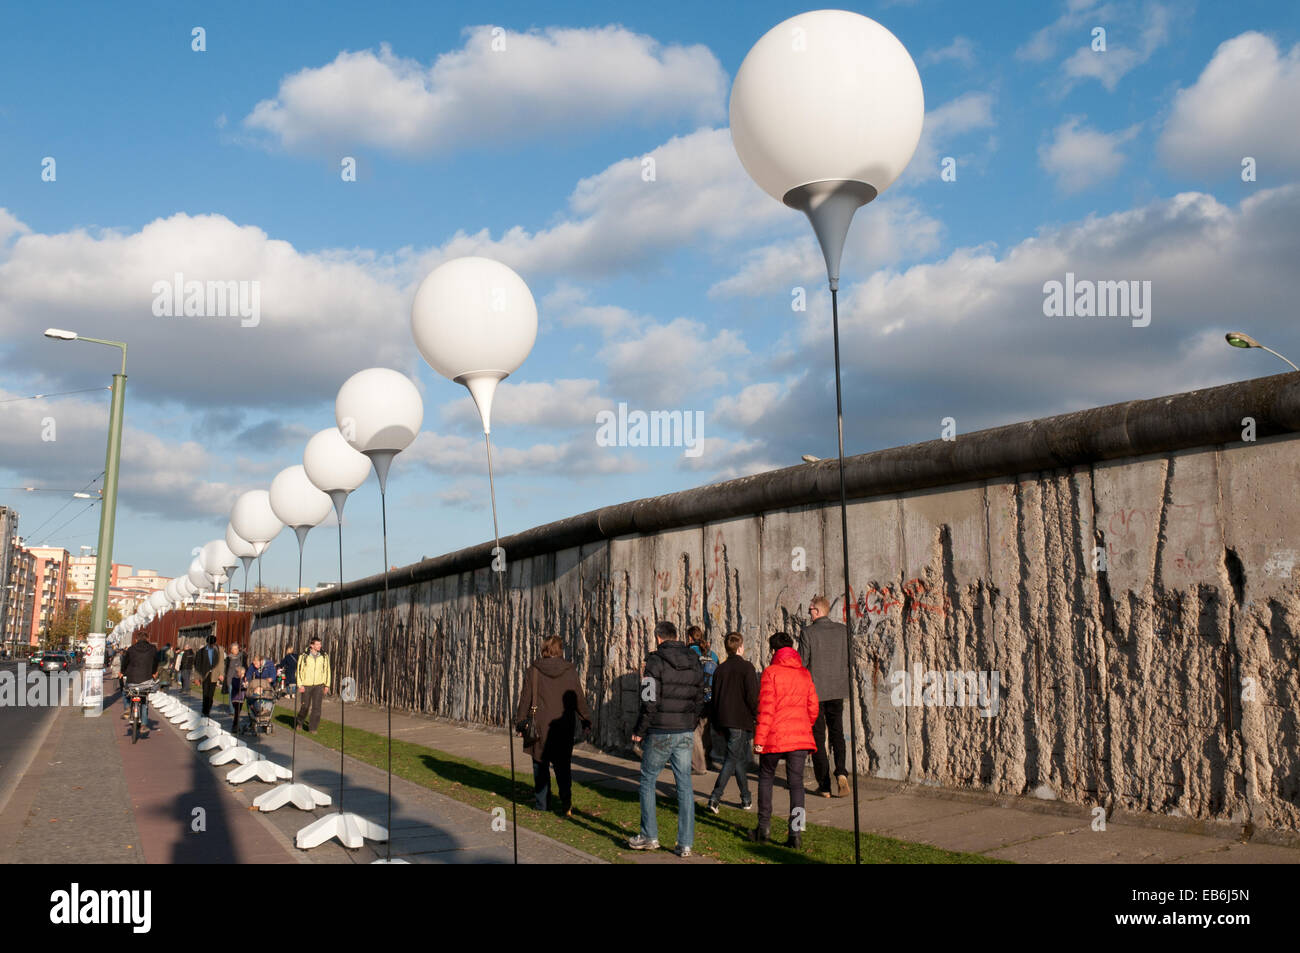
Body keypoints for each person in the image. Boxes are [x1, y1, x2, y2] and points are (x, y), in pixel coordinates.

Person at [628, 620, 705, 858]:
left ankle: (649, 835)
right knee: (684, 785)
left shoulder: (655, 661)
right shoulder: (693, 659)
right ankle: (685, 843)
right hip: (684, 729)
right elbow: (700, 696)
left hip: (661, 729)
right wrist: (691, 723)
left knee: (648, 779)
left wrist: (640, 730)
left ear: (659, 638)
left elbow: (649, 699)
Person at [751, 631, 819, 848]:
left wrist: (759, 740)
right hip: (799, 737)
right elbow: (813, 708)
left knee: (766, 778)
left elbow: (766, 709)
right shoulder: (804, 674)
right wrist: (803, 724)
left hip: (775, 736)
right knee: (797, 785)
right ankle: (796, 833)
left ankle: (764, 827)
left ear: (773, 651)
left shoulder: (771, 672)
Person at [513, 636, 592, 816]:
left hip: (539, 724)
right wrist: (585, 719)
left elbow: (525, 698)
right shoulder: (569, 670)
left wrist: (520, 723)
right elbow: (577, 697)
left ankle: (542, 804)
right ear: (560, 649)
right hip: (564, 725)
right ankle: (566, 802)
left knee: (539, 764)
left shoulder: (534, 670)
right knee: (563, 766)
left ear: (544, 649)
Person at [800, 595, 851, 797]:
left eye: (810, 610)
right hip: (837, 690)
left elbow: (802, 663)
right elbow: (850, 659)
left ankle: (824, 785)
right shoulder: (842, 631)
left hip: (815, 693)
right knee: (837, 732)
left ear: (818, 611)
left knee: (818, 738)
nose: (809, 613)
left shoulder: (808, 633)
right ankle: (841, 772)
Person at [706, 632, 759, 813]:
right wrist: (757, 715)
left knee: (737, 760)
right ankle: (715, 796)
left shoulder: (721, 669)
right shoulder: (747, 668)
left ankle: (746, 798)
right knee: (731, 760)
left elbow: (715, 698)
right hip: (739, 720)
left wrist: (715, 722)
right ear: (740, 647)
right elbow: (752, 696)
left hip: (724, 720)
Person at [687, 625, 720, 774]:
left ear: (689, 637)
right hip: (711, 699)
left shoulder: (688, 653)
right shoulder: (712, 654)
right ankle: (708, 760)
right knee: (705, 730)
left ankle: (699, 766)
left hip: (695, 698)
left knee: (693, 731)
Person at [119, 632, 162, 734]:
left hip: (132, 680)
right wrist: (154, 672)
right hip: (146, 679)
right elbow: (156, 661)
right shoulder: (152, 649)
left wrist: (122, 672)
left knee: (125, 691)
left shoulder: (131, 649)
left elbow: (125, 662)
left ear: (136, 639)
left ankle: (127, 707)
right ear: (148, 638)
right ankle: (143, 725)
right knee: (144, 700)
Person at [296, 636, 331, 732]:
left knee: (317, 708)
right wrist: (300, 685)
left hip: (319, 685)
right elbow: (298, 671)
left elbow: (327, 670)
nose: (320, 646)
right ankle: (299, 722)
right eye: (317, 644)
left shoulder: (324, 656)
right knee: (305, 706)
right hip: (306, 685)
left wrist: (327, 685)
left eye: (320, 644)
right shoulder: (303, 656)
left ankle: (313, 728)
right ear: (312, 645)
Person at [193, 635, 225, 717]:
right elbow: (197, 665)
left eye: (213, 644)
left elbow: (221, 662)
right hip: (205, 675)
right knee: (205, 694)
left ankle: (208, 710)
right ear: (207, 643)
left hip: (214, 674)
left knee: (211, 695)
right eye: (210, 644)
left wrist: (221, 674)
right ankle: (205, 712)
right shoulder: (201, 652)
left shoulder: (219, 650)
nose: (212, 645)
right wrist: (196, 678)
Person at [229, 664, 246, 732]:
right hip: (236, 699)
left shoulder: (243, 679)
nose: (243, 675)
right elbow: (238, 687)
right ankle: (235, 726)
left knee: (238, 713)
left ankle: (236, 725)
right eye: (242, 673)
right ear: (238, 673)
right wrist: (243, 686)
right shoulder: (235, 679)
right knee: (237, 712)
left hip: (241, 699)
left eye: (243, 674)